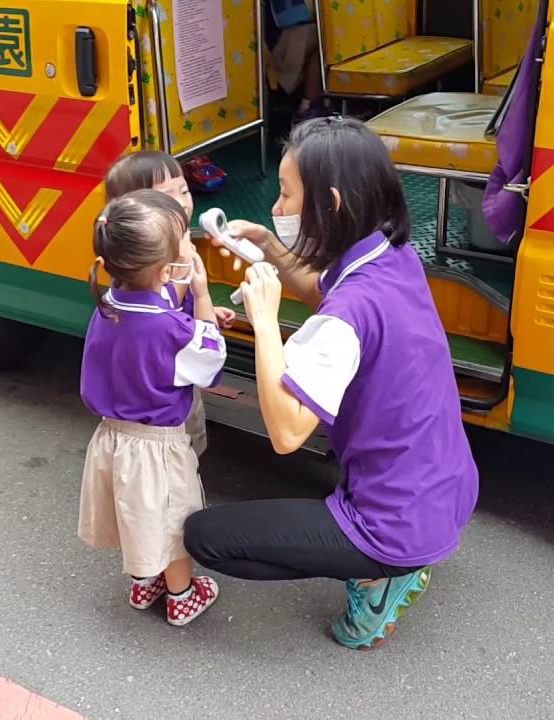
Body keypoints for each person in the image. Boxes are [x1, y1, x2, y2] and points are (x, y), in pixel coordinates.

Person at [182, 117, 478, 650]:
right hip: (445, 487)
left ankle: (380, 577)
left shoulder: (347, 316)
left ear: (332, 202)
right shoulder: (390, 256)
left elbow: (287, 434)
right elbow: (326, 293)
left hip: (396, 522)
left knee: (205, 538)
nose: (276, 205)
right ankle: (395, 554)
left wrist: (265, 319)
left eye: (287, 194)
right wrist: (270, 246)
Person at [78, 190, 226, 626]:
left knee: (136, 513)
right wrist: (201, 300)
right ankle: (181, 595)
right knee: (172, 523)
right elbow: (209, 363)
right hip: (157, 444)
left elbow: (156, 312)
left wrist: (183, 303)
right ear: (166, 269)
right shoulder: (171, 329)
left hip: (113, 437)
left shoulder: (109, 304)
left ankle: (145, 582)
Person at [103, 150, 237, 457]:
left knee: (192, 448)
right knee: (180, 465)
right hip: (160, 411)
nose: (184, 202)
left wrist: (204, 312)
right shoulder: (153, 263)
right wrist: (202, 300)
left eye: (185, 190)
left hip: (169, 391)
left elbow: (172, 314)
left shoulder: (172, 245)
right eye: (168, 196)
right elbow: (173, 321)